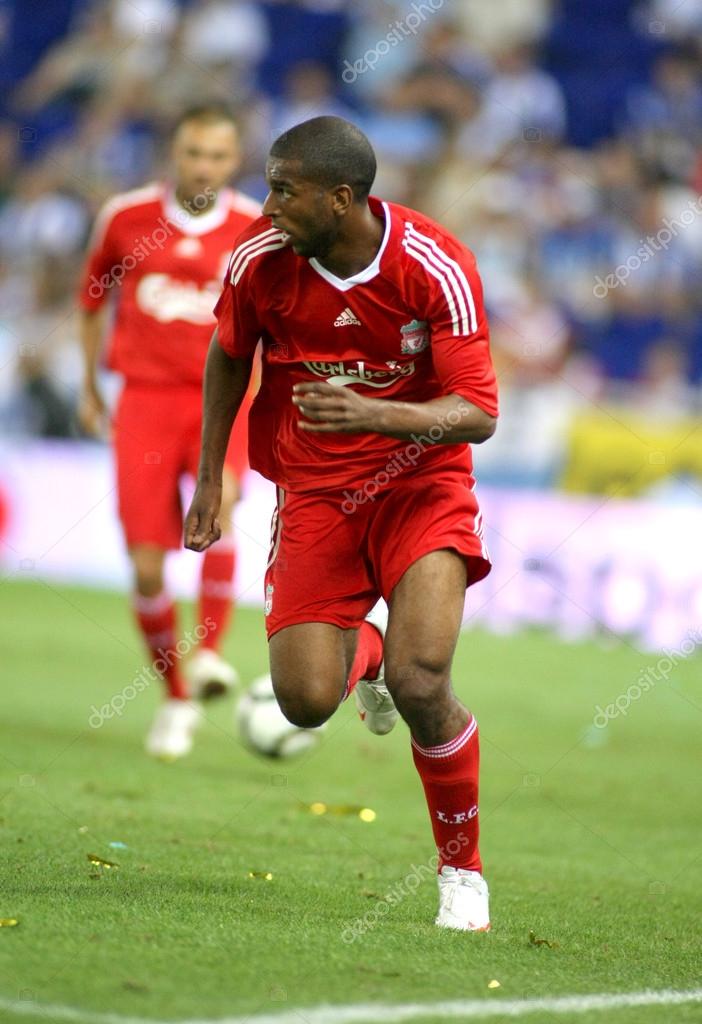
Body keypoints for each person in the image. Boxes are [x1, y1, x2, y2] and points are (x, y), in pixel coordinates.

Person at [185, 116, 498, 930]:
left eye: (284, 189)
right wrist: (211, 476)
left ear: (341, 197)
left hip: (422, 485)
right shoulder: (259, 261)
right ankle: (366, 663)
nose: (268, 202)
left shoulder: (434, 265)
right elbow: (227, 354)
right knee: (303, 702)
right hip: (316, 492)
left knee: (424, 676)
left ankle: (461, 875)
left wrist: (373, 413)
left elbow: (478, 412)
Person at [78, 103, 260, 759]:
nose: (204, 166)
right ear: (174, 154)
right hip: (146, 400)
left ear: (233, 160)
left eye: (217, 155)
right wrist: (89, 383)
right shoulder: (126, 218)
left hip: (224, 398)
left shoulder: (255, 227)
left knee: (222, 507)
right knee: (148, 565)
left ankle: (209, 654)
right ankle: (176, 697)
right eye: (193, 153)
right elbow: (93, 296)